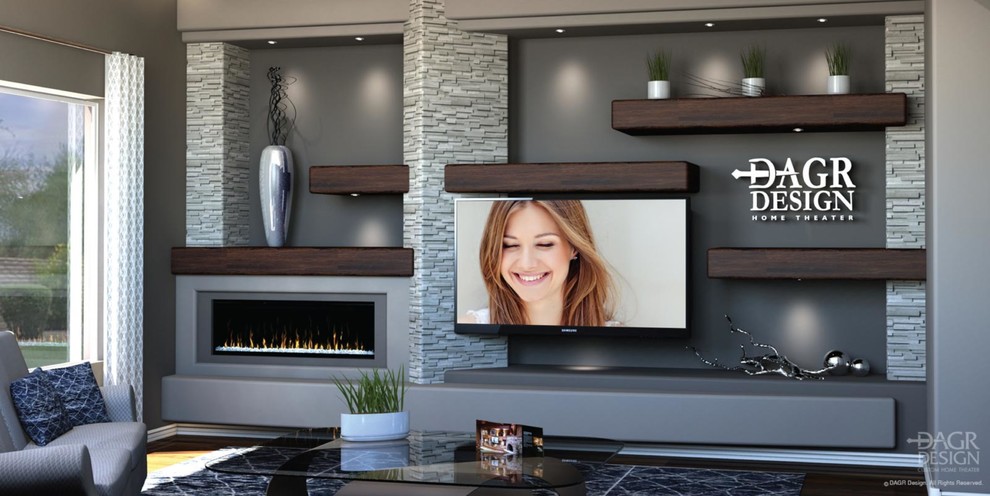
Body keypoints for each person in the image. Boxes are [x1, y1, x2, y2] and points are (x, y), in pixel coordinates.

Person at [462, 199, 617, 327]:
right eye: (510, 245)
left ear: (574, 248)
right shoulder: (468, 329)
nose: (527, 264)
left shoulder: (617, 340)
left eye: (545, 244)